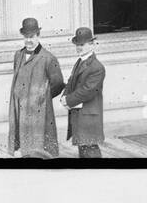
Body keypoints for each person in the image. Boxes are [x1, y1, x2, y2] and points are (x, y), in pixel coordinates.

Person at [7, 16, 65, 158]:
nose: (29, 40)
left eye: (32, 36)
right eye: (26, 37)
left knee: (40, 146)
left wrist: (41, 96)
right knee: (23, 143)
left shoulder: (48, 58)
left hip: (39, 110)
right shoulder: (18, 55)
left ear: (38, 35)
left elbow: (58, 83)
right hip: (20, 108)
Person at [61, 27, 106, 159]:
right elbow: (71, 81)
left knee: (90, 149)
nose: (79, 48)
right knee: (84, 148)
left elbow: (87, 91)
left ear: (91, 44)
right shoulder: (80, 61)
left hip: (89, 115)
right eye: (77, 45)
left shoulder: (97, 67)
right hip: (81, 114)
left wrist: (68, 100)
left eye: (82, 44)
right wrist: (64, 95)